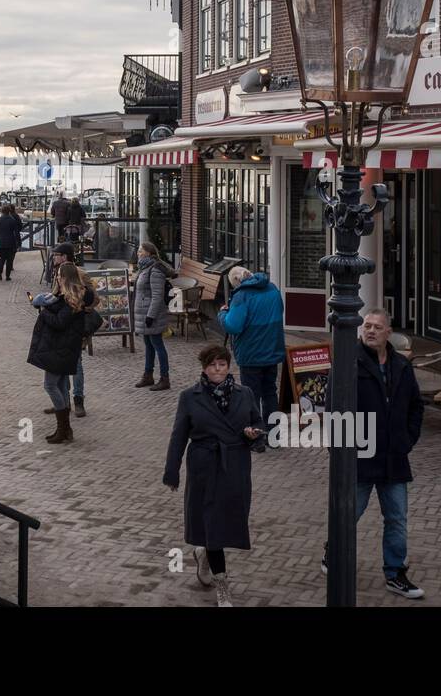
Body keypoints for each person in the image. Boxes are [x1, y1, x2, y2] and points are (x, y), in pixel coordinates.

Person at [321, 309, 425, 599]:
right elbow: (333, 410)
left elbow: (416, 406)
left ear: (388, 333)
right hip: (360, 457)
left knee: (397, 518)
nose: (370, 331)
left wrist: (407, 440)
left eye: (377, 327)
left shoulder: (402, 366)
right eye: (366, 325)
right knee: (349, 513)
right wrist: (342, 451)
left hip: (394, 457)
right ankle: (334, 552)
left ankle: (395, 573)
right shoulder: (347, 363)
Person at [163, 344, 266, 607]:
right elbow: (179, 435)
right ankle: (222, 584)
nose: (217, 370)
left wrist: (254, 434)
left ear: (229, 365)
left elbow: (258, 423)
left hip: (235, 466)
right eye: (212, 365)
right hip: (204, 468)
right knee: (212, 525)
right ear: (204, 368)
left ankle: (204, 554)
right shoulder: (190, 397)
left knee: (229, 522)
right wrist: (171, 471)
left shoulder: (246, 393)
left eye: (222, 364)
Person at [218, 265, 286, 453]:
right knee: (270, 393)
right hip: (272, 350)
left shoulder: (242, 296)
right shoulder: (272, 288)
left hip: (251, 354)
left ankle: (256, 440)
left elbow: (233, 326)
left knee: (251, 396)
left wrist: (223, 313)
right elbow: (279, 311)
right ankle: (274, 436)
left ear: (237, 282)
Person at [27, 263, 95, 444]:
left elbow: (59, 322)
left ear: (66, 278)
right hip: (62, 347)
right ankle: (64, 430)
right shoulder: (65, 296)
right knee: (61, 384)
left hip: (62, 349)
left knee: (50, 385)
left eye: (59, 275)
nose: (57, 277)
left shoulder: (73, 298)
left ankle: (64, 427)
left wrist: (43, 312)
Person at [133, 241, 172, 390]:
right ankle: (148, 375)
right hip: (144, 313)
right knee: (148, 345)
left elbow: (157, 296)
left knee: (158, 345)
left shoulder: (154, 270)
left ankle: (164, 378)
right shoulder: (145, 267)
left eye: (140, 250)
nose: (138, 253)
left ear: (149, 253)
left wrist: (150, 316)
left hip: (151, 315)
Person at [0, 202, 23, 281]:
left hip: (1, 242)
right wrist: (19, 243)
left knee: (2, 259)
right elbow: (16, 233)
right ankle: (7, 276)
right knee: (9, 260)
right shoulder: (12, 220)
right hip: (10, 242)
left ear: (2, 211)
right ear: (9, 211)